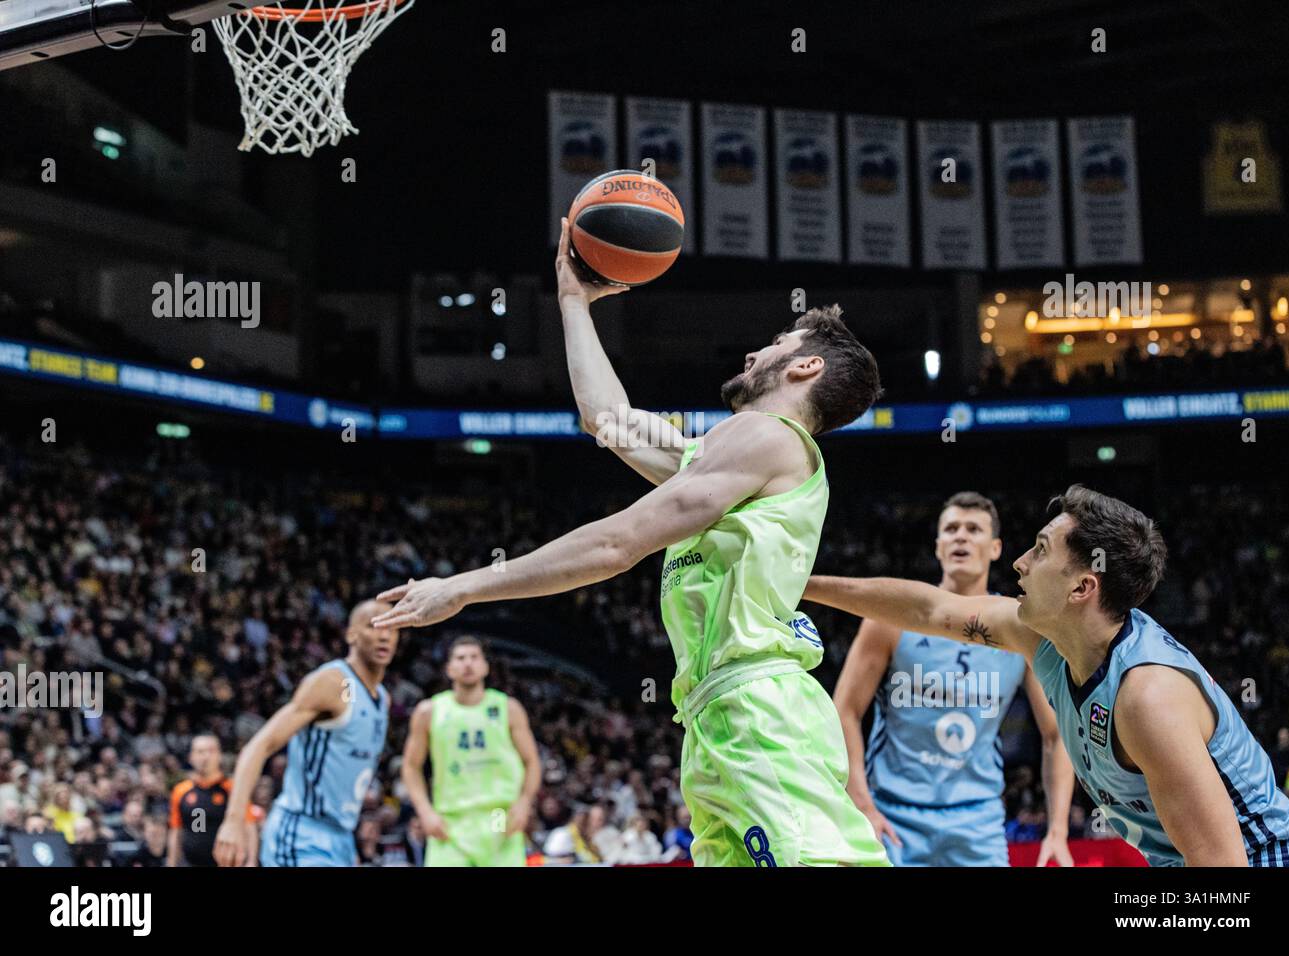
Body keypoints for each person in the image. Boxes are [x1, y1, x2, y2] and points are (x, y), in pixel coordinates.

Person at [370, 218, 889, 867]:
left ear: (806, 366)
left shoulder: (767, 437)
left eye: (776, 343)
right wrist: (572, 300)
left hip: (760, 710)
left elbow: (618, 543)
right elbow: (607, 421)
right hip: (712, 713)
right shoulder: (729, 457)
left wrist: (463, 587)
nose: (754, 355)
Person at [804, 484, 1289, 866]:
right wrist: (800, 585)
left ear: (1082, 588)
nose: (1019, 563)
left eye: (1040, 550)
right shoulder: (1040, 637)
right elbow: (928, 609)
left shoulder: (1148, 699)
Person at [834, 492, 1074, 866]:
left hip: (977, 820)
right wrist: (860, 802)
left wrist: (1057, 829)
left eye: (973, 529)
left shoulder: (1022, 627)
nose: (961, 536)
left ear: (995, 548)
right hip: (893, 816)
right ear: (938, 546)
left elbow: (1057, 733)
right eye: (951, 529)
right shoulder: (889, 617)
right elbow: (844, 710)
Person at [213, 600, 399, 867]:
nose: (384, 635)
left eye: (392, 628)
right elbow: (259, 746)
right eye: (373, 626)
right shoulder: (333, 682)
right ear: (351, 635)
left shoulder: (383, 699)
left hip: (341, 837)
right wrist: (233, 821)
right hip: (302, 832)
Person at [401, 636, 541, 867]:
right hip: (451, 821)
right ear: (449, 668)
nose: (468, 663)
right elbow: (410, 766)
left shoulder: (508, 708)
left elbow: (532, 761)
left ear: (485, 667)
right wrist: (425, 811)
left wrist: (525, 802)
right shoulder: (430, 711)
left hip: (499, 817)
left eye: (474, 658)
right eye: (460, 658)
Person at [167, 734, 255, 867]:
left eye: (211, 751)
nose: (206, 757)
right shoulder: (180, 791)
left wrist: (251, 861)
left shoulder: (233, 789)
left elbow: (249, 826)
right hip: (190, 863)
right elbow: (176, 831)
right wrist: (171, 862)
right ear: (191, 757)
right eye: (200, 752)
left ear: (219, 755)